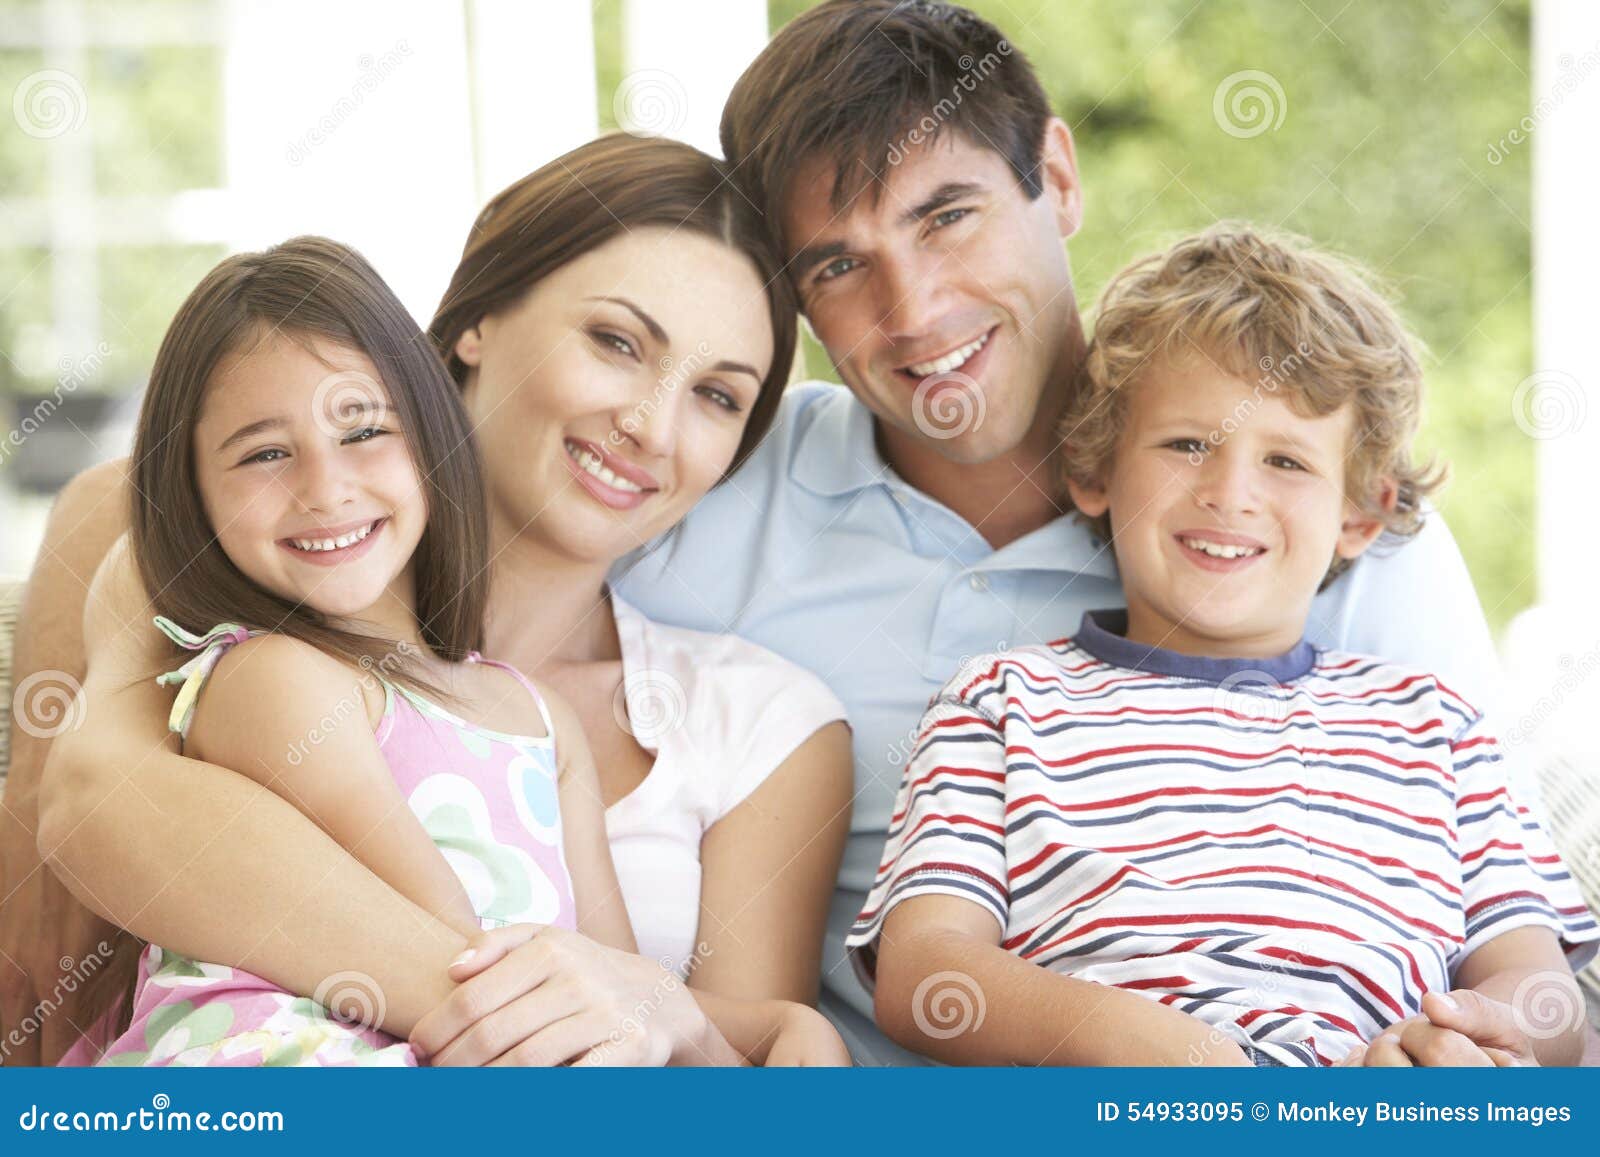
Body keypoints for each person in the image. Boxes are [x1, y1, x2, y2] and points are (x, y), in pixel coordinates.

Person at [608, 0, 1542, 1064]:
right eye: (836, 265)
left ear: (1055, 177)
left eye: (945, 215)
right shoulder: (706, 470)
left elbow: (1504, 945)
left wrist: (1473, 1056)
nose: (912, 310)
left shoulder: (1344, 542)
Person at [7, 135, 852, 1066]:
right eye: (615, 341)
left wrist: (766, 1025)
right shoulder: (200, 564)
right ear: (476, 319)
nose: (651, 426)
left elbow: (721, 1089)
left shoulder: (747, 718)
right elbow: (81, 824)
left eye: (719, 397)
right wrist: (537, 1010)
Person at [844, 223, 1599, 1066]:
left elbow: (1547, 998)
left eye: (1286, 461)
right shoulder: (1001, 703)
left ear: (1361, 513)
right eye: (1187, 444)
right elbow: (923, 975)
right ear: (1095, 468)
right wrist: (1135, 1039)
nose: (1229, 492)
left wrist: (1461, 1045)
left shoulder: (1437, 726)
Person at [56, 234, 635, 1064]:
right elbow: (452, 951)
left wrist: (759, 1027)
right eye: (265, 453)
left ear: (432, 435)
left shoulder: (539, 720)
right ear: (193, 496)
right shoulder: (273, 677)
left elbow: (615, 978)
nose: (325, 487)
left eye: (364, 431)